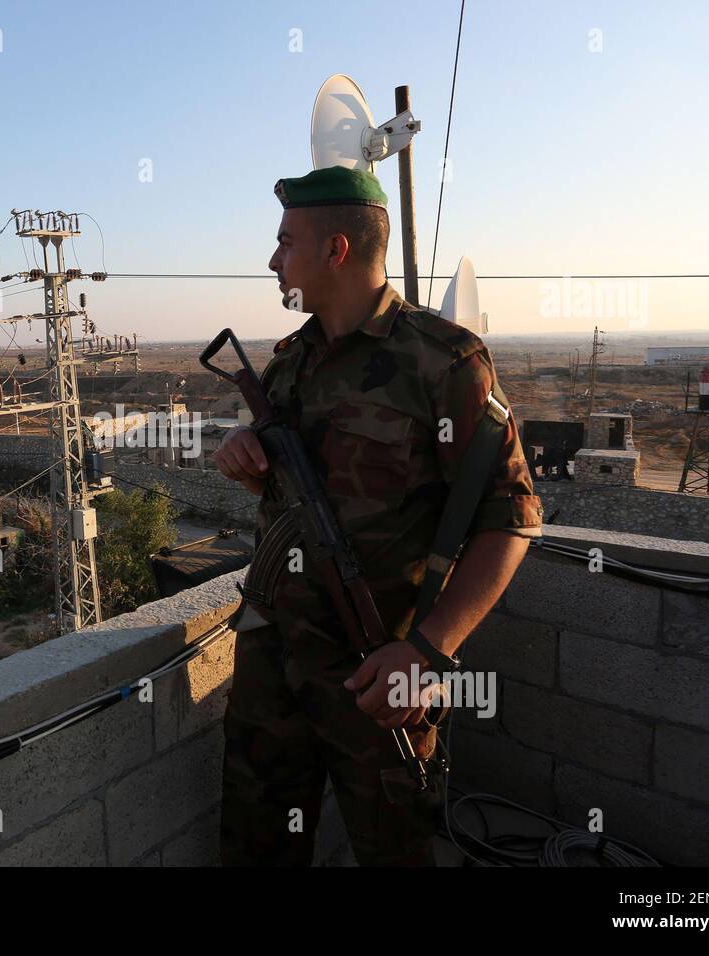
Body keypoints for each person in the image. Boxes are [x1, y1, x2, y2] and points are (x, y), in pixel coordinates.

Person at [213, 165, 542, 866]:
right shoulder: (288, 366)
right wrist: (246, 453)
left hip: (379, 670)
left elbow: (510, 520)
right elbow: (290, 503)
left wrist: (427, 654)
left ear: (336, 249)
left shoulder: (444, 362)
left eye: (285, 243)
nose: (273, 261)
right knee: (255, 843)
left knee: (394, 851)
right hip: (275, 662)